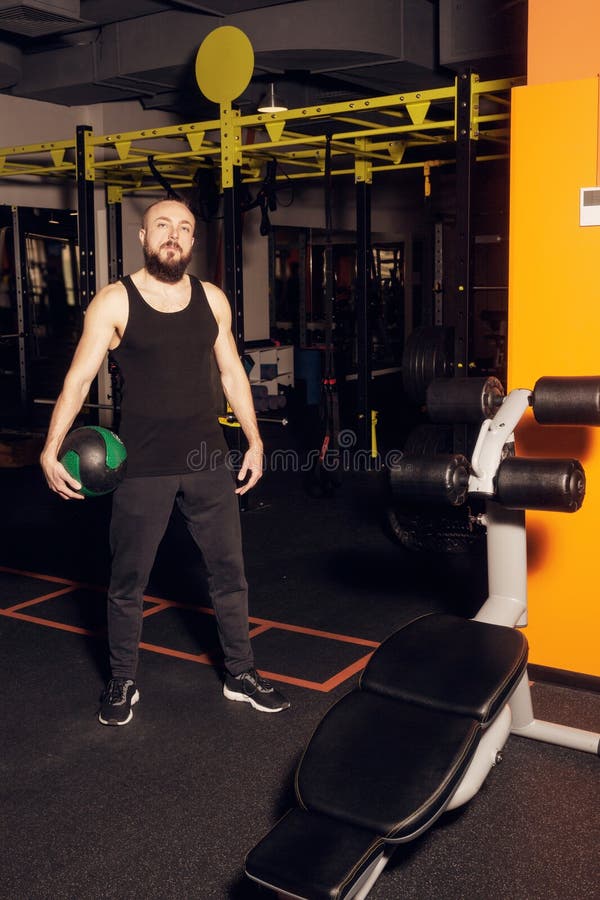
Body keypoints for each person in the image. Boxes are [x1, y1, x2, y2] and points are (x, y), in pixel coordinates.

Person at [40, 198, 290, 724]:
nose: (172, 236)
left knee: (229, 574)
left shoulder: (213, 300)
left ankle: (240, 673)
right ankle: (122, 680)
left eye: (183, 228)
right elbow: (79, 378)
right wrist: (50, 445)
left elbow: (232, 375)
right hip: (142, 465)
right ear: (144, 237)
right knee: (128, 580)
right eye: (162, 226)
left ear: (193, 241)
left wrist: (256, 439)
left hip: (207, 460)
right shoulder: (113, 301)